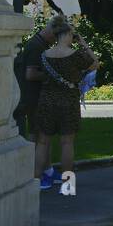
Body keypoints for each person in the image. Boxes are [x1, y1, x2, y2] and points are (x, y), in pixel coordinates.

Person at [30, 15, 100, 192]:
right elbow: (95, 63)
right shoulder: (76, 55)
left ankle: (36, 180)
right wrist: (82, 42)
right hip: (68, 101)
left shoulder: (45, 55)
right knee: (67, 143)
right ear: (68, 34)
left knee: (43, 142)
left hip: (46, 100)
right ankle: (67, 184)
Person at [13, 19, 56, 166]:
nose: (56, 40)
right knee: (38, 134)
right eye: (56, 36)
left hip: (34, 95)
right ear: (51, 31)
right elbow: (30, 74)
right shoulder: (36, 46)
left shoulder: (39, 44)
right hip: (33, 96)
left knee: (37, 132)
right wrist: (51, 75)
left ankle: (37, 167)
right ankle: (35, 168)